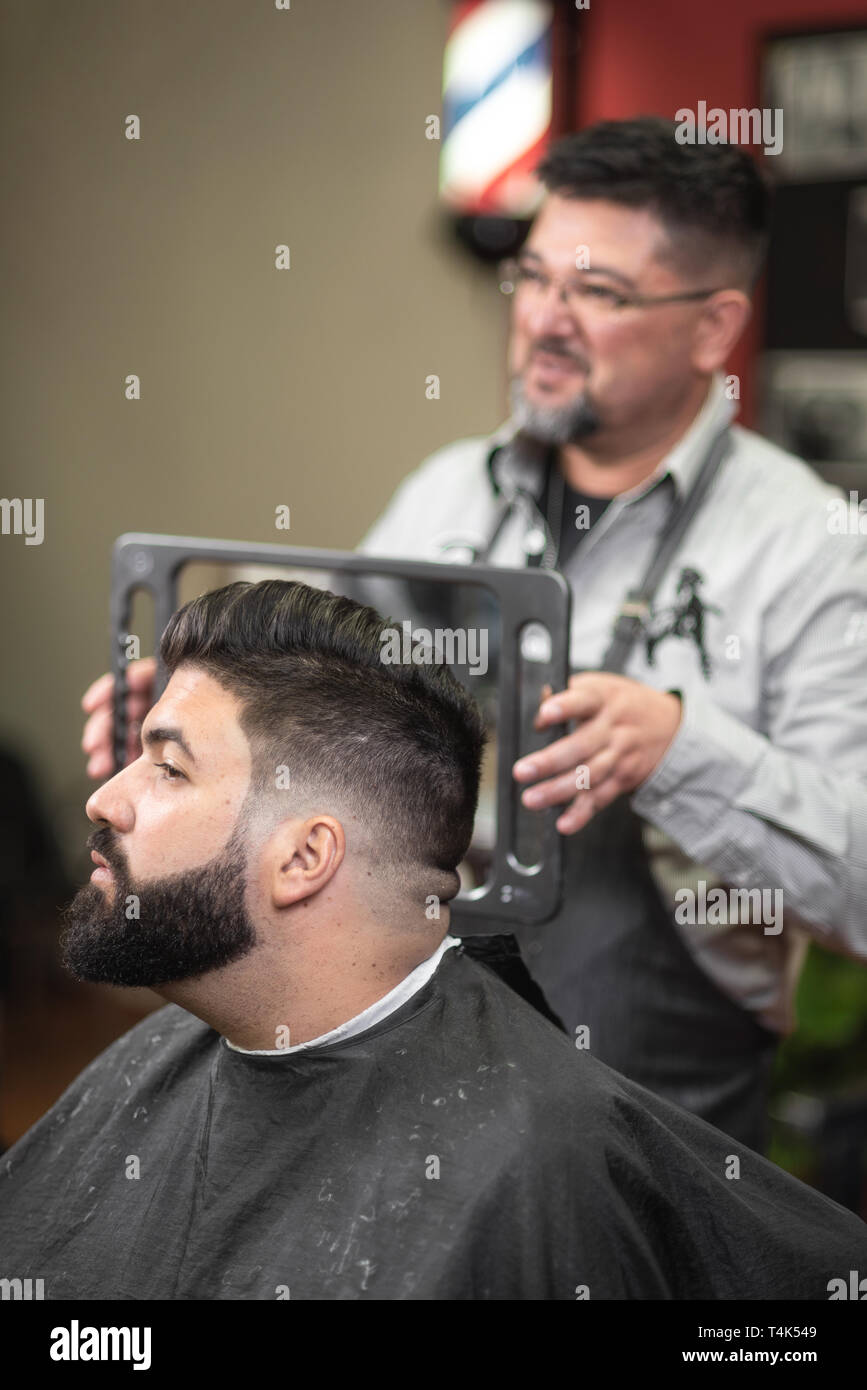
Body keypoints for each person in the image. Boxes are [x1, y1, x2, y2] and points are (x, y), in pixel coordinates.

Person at [80, 118, 867, 1155]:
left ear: (714, 328)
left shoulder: (810, 549)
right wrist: (200, 720)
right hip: (410, 1035)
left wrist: (682, 749)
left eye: (599, 293)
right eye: (536, 277)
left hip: (650, 1108)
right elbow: (311, 696)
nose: (545, 318)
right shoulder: (450, 493)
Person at [5, 579, 867, 1300]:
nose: (103, 798)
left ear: (305, 857)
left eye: (167, 766)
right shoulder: (155, 1061)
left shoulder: (535, 1171)